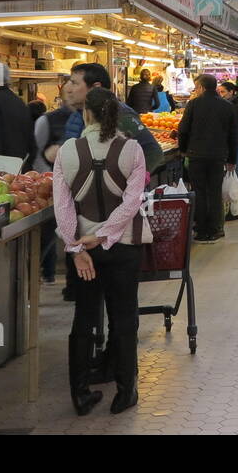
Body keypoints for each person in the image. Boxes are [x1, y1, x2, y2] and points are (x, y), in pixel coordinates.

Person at [53, 86, 146, 416]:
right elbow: (132, 203)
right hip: (123, 248)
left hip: (84, 254)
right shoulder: (131, 150)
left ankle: (80, 394)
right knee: (124, 318)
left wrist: (76, 246)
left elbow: (62, 208)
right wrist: (106, 234)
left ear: (85, 114)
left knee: (84, 318)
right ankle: (125, 391)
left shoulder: (67, 151)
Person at [58, 63, 165, 173]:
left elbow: (153, 152)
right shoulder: (77, 114)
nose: (69, 89)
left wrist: (132, 182)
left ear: (96, 88)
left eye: (74, 83)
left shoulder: (120, 114)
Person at [177, 73, 238, 243]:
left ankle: (201, 230)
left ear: (202, 88)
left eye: (196, 87)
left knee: (199, 191)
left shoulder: (193, 104)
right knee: (214, 191)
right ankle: (215, 229)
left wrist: (183, 150)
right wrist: (232, 159)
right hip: (218, 156)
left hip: (196, 155)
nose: (195, 91)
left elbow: (183, 130)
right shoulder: (227, 106)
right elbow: (234, 135)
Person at [33, 84, 73, 285]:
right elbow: (38, 152)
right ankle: (47, 272)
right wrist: (46, 181)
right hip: (52, 185)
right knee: (49, 231)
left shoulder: (86, 118)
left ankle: (72, 281)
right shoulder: (47, 120)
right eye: (69, 89)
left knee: (72, 231)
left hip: (76, 184)